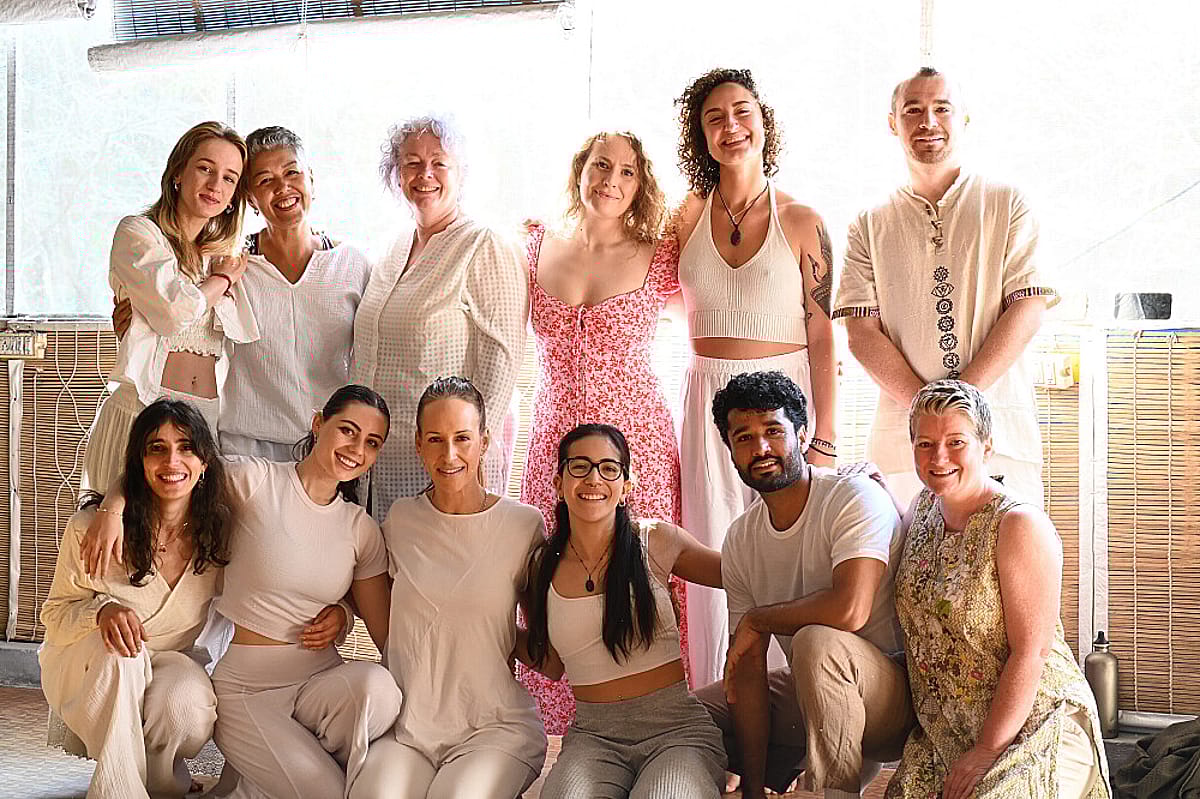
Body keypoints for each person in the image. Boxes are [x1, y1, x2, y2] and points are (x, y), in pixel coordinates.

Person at [84, 385, 401, 799]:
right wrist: (112, 507)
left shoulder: (361, 528)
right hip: (247, 688)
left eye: (371, 442)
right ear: (319, 423)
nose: (356, 448)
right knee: (327, 791)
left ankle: (258, 780)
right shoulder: (255, 481)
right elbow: (177, 469)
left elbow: (386, 634)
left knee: (381, 689)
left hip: (319, 680)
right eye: (348, 430)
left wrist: (342, 612)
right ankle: (272, 770)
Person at [673, 68, 838, 688]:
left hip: (785, 399)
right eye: (714, 117)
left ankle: (793, 719)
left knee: (787, 556)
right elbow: (621, 261)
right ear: (701, 136)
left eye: (742, 112)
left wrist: (823, 435)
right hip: (706, 402)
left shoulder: (801, 220)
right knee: (715, 552)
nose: (731, 127)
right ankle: (719, 713)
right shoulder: (684, 218)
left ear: (765, 123)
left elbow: (824, 335)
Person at [519, 129, 686, 735]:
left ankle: (658, 713)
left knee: (641, 565)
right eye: (601, 165)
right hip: (553, 432)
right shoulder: (535, 244)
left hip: (635, 432)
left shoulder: (662, 252)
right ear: (580, 168)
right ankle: (567, 724)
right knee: (554, 561)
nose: (611, 179)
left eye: (628, 171)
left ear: (642, 184)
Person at [833, 66, 1057, 509]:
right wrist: (930, 411)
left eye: (942, 109)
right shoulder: (869, 223)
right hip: (905, 446)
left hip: (998, 436)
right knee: (909, 568)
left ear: (965, 119)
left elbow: (1028, 308)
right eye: (912, 110)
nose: (928, 122)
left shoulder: (1008, 203)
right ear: (893, 123)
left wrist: (962, 406)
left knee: (1006, 566)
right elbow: (860, 333)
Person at [694, 371, 912, 799]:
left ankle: (832, 793)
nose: (760, 448)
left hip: (895, 700)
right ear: (731, 451)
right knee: (689, 714)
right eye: (743, 437)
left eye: (773, 431)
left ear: (803, 432)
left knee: (816, 640)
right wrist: (753, 789)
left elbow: (850, 609)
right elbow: (750, 669)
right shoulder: (741, 539)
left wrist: (759, 619)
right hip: (814, 692)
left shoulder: (852, 497)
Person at [886, 380, 1108, 798]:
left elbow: (1032, 651)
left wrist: (987, 750)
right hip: (945, 734)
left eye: (956, 442)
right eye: (925, 444)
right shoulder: (920, 511)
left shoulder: (1019, 525)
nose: (939, 457)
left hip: (1034, 724)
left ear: (986, 446)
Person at [112, 126, 372, 460]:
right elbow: (173, 305)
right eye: (264, 180)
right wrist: (137, 325)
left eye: (292, 172)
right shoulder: (232, 263)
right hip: (243, 449)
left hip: (328, 447)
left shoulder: (353, 263)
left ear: (311, 179)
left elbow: (373, 349)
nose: (282, 188)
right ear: (249, 198)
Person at [353, 377, 546, 799]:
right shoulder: (400, 520)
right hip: (407, 726)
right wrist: (337, 613)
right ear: (419, 444)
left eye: (462, 438)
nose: (450, 454)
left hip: (493, 725)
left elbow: (545, 645)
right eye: (436, 439)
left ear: (485, 441)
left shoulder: (524, 525)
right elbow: (372, 600)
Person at [41, 399, 233, 798]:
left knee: (188, 706)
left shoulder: (220, 534)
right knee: (121, 652)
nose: (171, 461)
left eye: (185, 447)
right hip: (91, 666)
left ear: (205, 463)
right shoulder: (91, 530)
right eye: (156, 448)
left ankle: (162, 783)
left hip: (167, 662)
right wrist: (102, 611)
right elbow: (55, 614)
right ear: (138, 462)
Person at [523, 424, 726, 798]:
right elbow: (551, 665)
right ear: (558, 482)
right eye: (579, 466)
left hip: (676, 731)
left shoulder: (658, 541)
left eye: (608, 468)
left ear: (625, 487)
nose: (594, 478)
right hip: (593, 738)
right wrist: (487, 629)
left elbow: (741, 574)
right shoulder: (540, 567)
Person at [352, 115, 528, 519]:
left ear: (461, 173)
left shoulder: (484, 244)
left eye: (439, 163)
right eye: (412, 163)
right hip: (376, 459)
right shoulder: (394, 248)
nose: (424, 174)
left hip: (444, 464)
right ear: (397, 175)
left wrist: (472, 459)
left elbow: (501, 364)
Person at [83, 121, 258, 492]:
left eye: (229, 178)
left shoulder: (223, 256)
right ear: (178, 171)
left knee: (187, 544)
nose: (215, 185)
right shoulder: (139, 234)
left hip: (202, 421)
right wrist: (221, 282)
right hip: (144, 410)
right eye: (205, 168)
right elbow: (176, 313)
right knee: (121, 537)